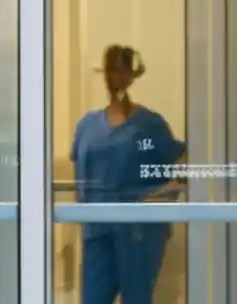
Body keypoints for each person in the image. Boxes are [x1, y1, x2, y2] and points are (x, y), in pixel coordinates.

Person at [71, 44, 187, 304]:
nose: (117, 77)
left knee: (136, 297)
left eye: (123, 71)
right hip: (97, 227)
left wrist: (159, 197)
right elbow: (79, 169)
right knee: (93, 297)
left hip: (138, 229)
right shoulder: (88, 126)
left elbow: (180, 163)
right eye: (112, 70)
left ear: (132, 75)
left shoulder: (148, 127)